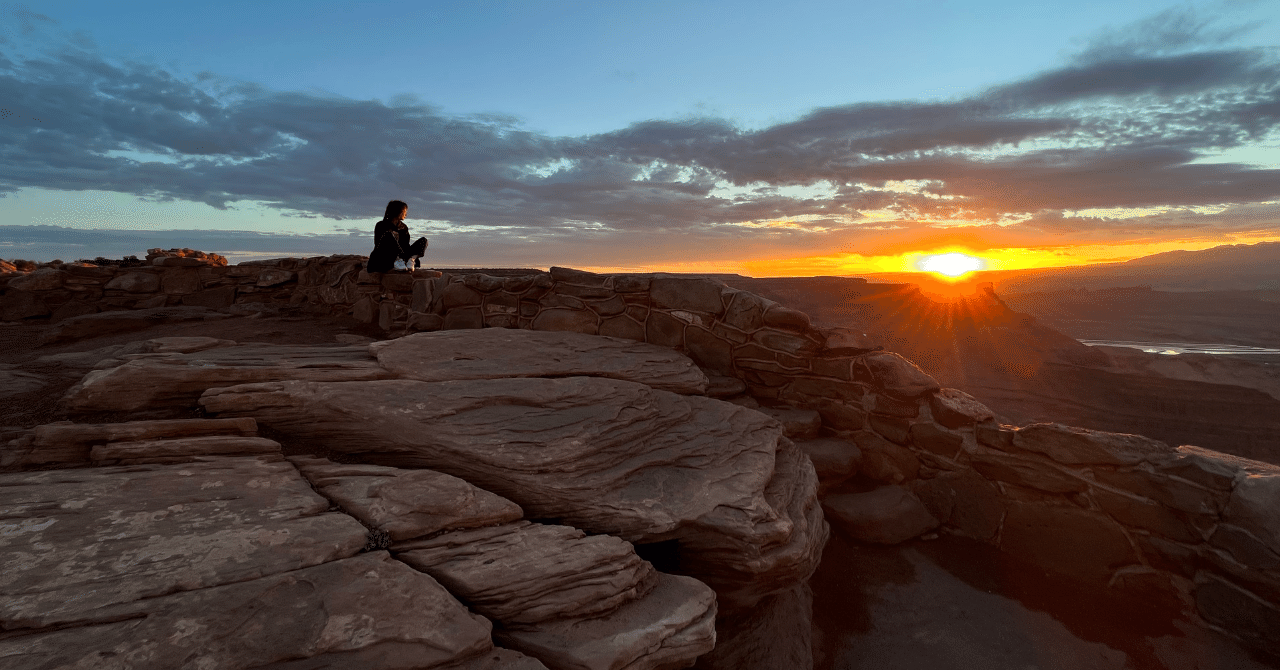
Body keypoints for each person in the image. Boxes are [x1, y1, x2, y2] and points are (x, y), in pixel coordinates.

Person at [366, 200, 428, 272]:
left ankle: (411, 260)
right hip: (386, 256)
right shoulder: (381, 225)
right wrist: (393, 236)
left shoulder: (403, 227)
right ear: (397, 211)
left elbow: (406, 245)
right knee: (388, 235)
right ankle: (398, 260)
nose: (406, 214)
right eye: (404, 211)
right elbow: (378, 244)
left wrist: (408, 255)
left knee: (424, 240)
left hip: (403, 256)